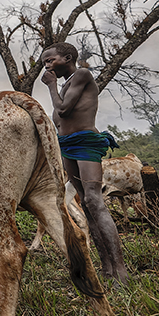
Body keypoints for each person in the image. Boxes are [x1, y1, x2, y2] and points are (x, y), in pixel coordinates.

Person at [40, 42, 129, 285]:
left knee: (94, 200)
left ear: (68, 58)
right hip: (67, 145)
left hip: (85, 142)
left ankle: (120, 270)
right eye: (44, 62)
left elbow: (64, 109)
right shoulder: (67, 83)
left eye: (50, 60)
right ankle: (106, 268)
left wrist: (51, 86)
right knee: (86, 205)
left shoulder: (81, 74)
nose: (47, 66)